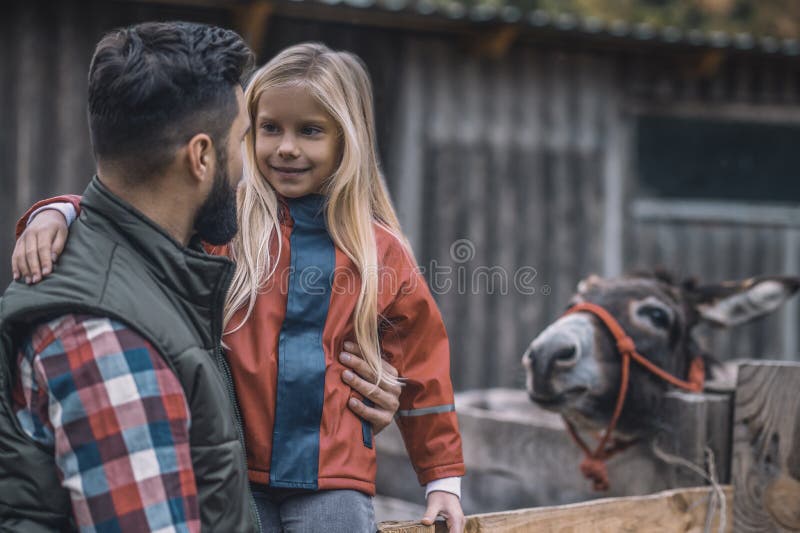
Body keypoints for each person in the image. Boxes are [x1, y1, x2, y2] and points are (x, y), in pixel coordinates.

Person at [15, 43, 467, 533]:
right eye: (270, 128)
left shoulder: (379, 250)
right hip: (231, 471)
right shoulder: (225, 226)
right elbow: (134, 214)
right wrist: (60, 210)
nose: (286, 147)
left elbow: (424, 371)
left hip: (331, 479)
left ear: (347, 140)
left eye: (310, 131)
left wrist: (441, 480)